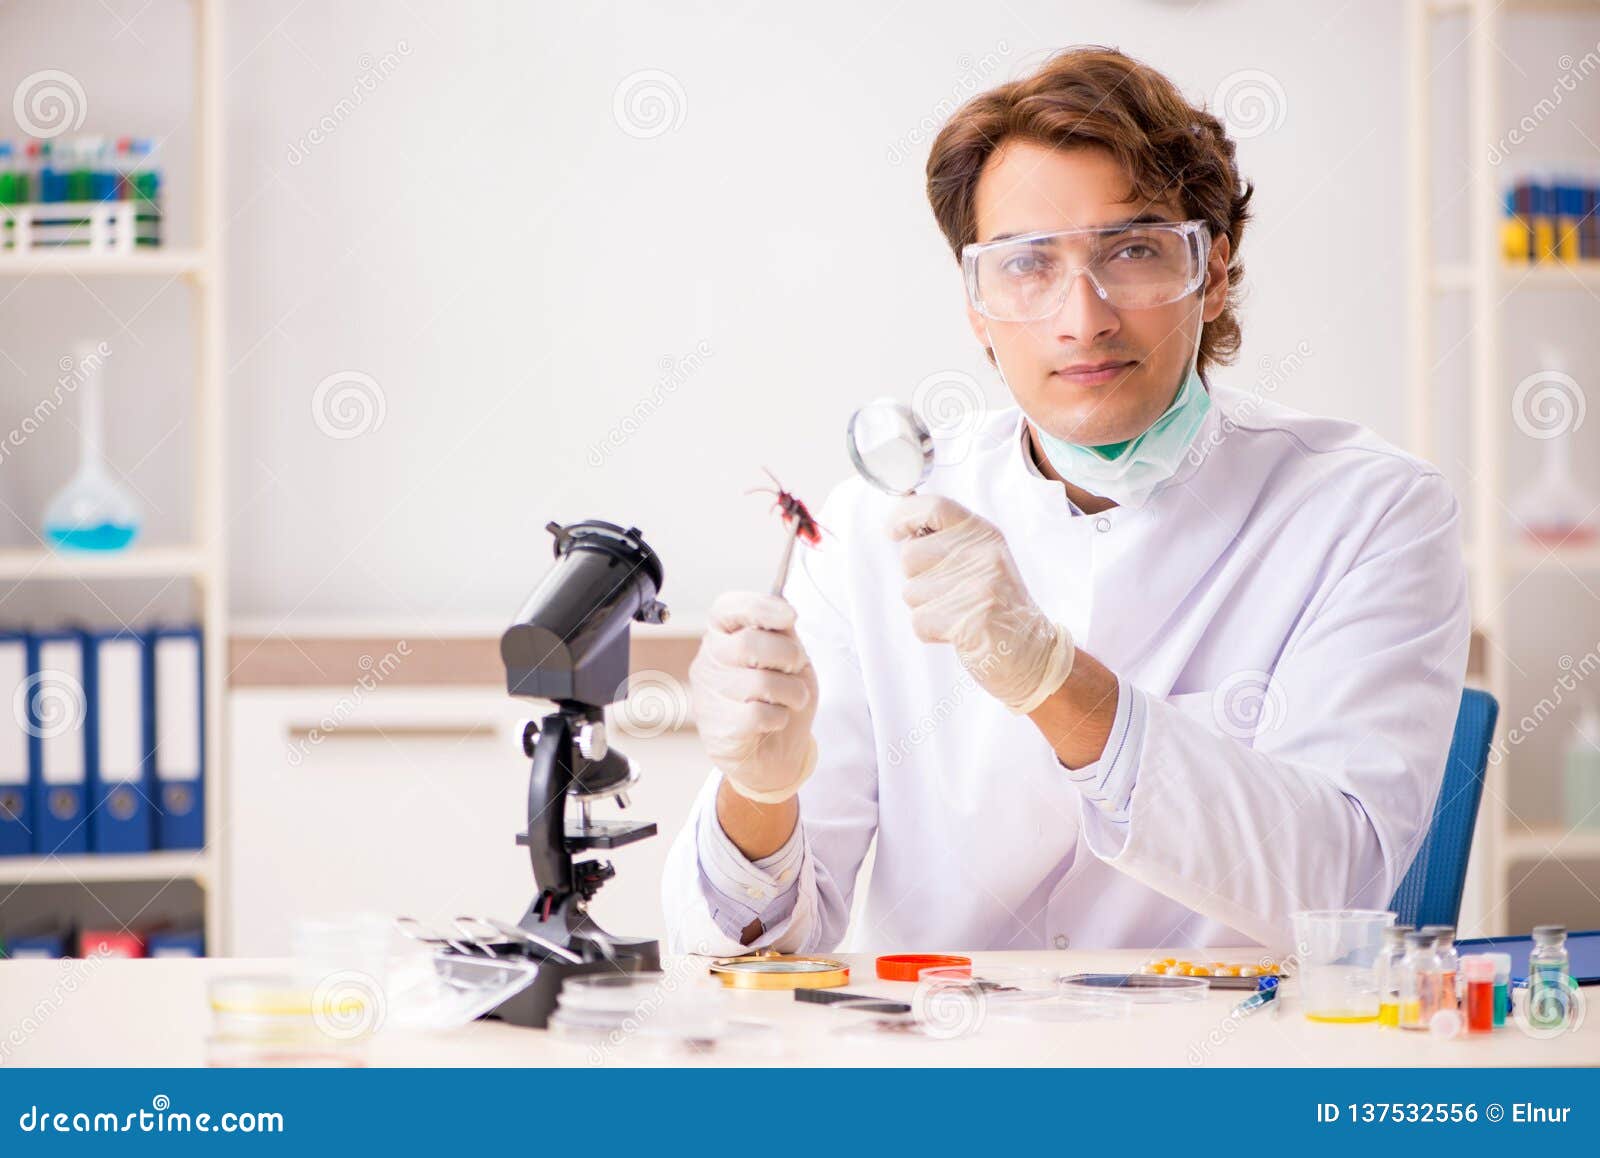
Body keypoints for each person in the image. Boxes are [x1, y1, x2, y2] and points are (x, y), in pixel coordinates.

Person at [661, 46, 1470, 957]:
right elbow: (754, 953)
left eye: (1133, 251)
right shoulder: (865, 530)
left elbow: (1339, 896)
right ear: (976, 305)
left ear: (1212, 272)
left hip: (1232, 1068)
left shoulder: (1370, 512)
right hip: (947, 1069)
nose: (1082, 318)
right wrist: (759, 796)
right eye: (1026, 265)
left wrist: (1056, 684)